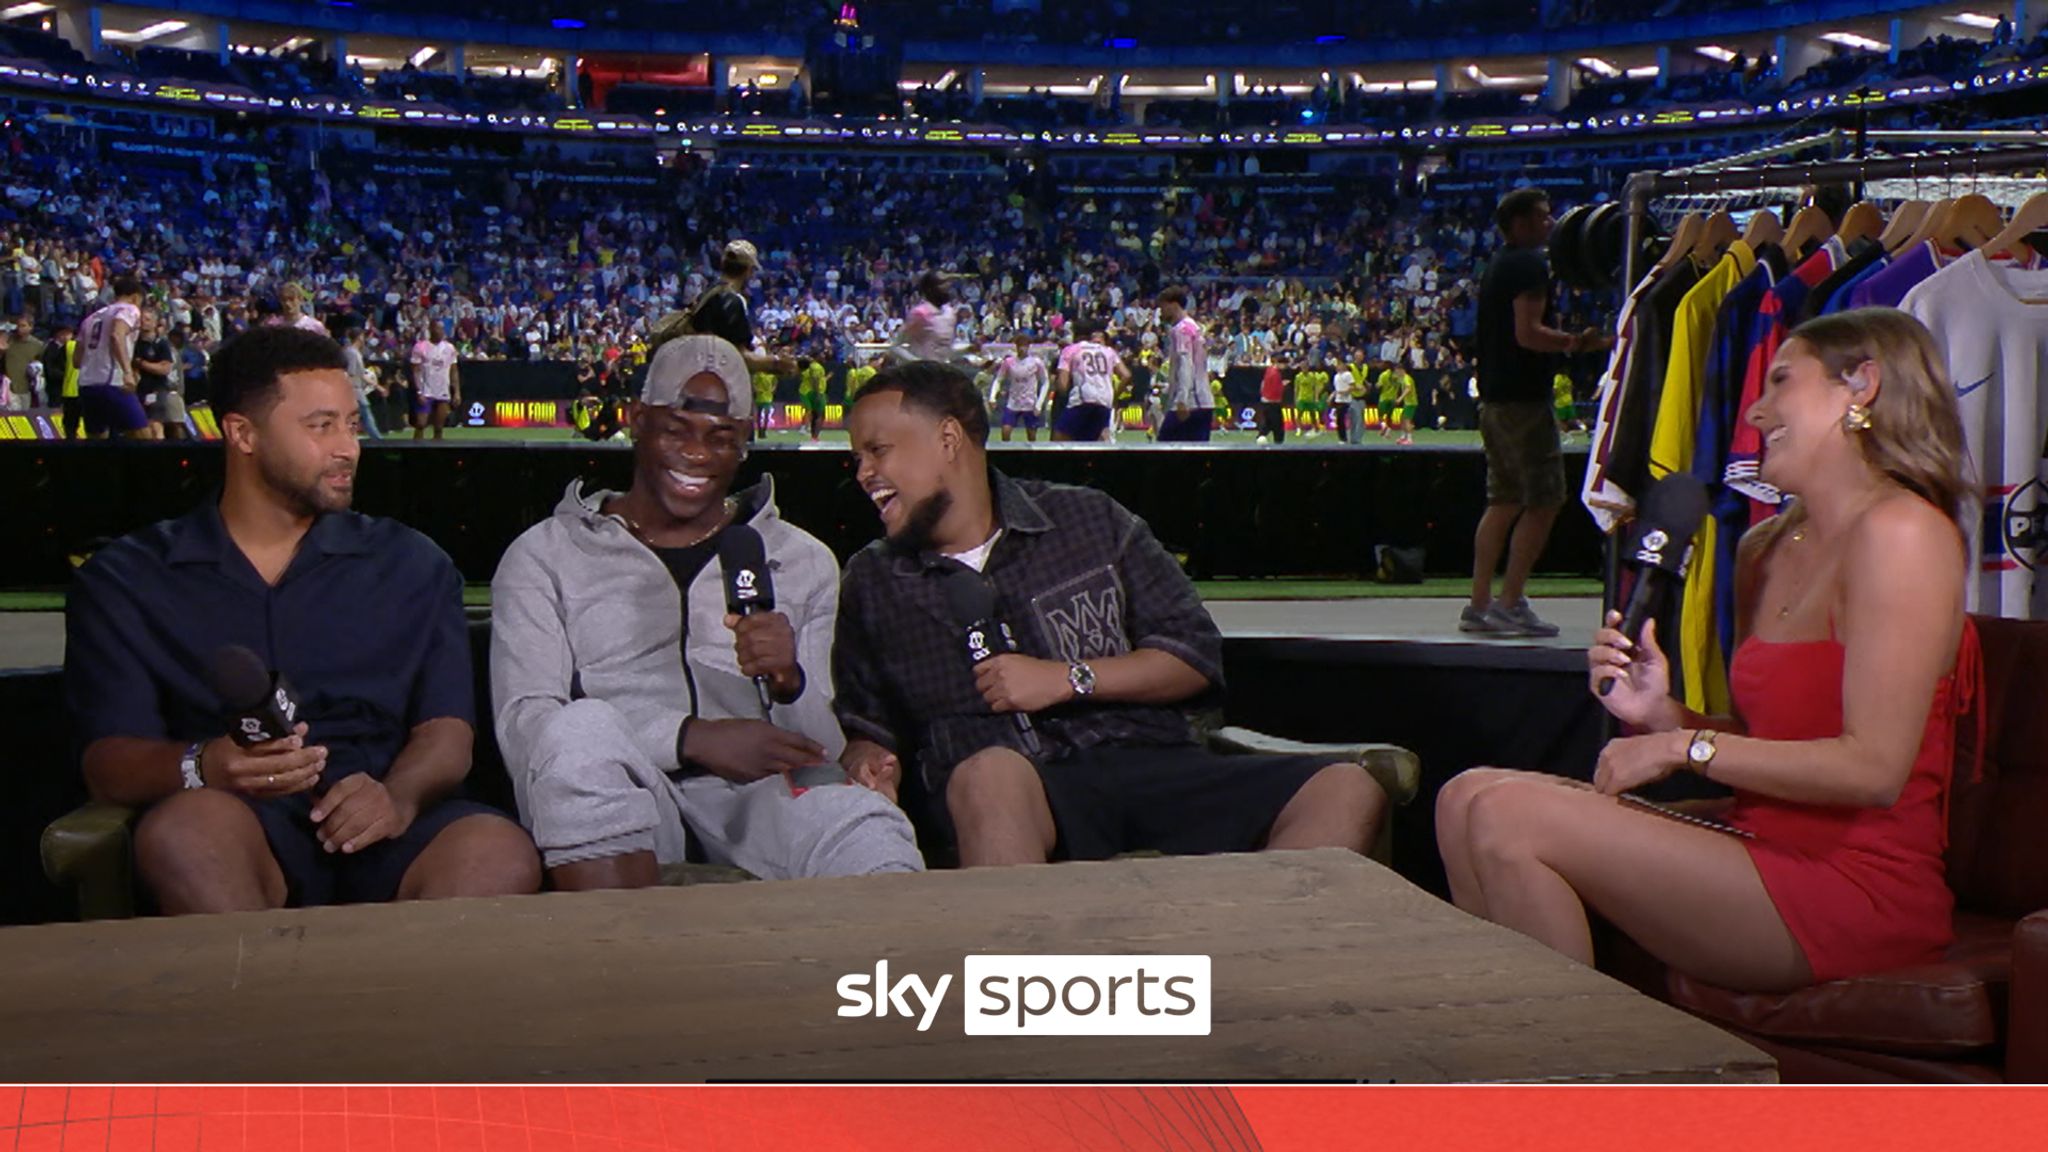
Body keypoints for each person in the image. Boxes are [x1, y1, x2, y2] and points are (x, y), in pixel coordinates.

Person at [1436, 309, 1976, 992]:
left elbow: (1873, 769)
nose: (1756, 410)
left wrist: (1678, 747)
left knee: (1506, 816)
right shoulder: (1766, 548)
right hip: (1754, 841)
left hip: (1857, 886)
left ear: (1861, 385)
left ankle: (1573, 1056)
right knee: (1463, 797)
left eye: (1782, 381)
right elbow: (1769, 746)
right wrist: (1666, 716)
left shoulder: (1904, 533)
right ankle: (1517, 1044)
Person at [63, 325, 540, 913]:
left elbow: (447, 733)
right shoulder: (128, 579)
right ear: (242, 433)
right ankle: (254, 976)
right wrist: (205, 764)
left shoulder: (413, 565)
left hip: (387, 815)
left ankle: (404, 977)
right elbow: (107, 762)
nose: (349, 447)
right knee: (188, 834)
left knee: (495, 853)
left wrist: (398, 796)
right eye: (321, 426)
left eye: (351, 424)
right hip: (233, 818)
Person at [836, 360, 1388, 867]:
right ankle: (1026, 950)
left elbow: (1193, 656)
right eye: (858, 458)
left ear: (948, 438)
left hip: (1150, 761)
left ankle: (1240, 940)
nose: (863, 473)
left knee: (1346, 788)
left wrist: (1067, 678)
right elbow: (868, 726)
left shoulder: (1088, 520)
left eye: (877, 451)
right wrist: (867, 759)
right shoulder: (873, 580)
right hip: (1012, 783)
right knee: (989, 775)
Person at [491, 335, 922, 888]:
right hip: (622, 791)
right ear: (637, 420)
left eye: (720, 437)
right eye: (676, 430)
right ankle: (613, 942)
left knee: (869, 825)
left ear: (745, 443)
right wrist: (689, 737)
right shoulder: (544, 553)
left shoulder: (802, 558)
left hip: (763, 798)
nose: (697, 454)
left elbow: (824, 749)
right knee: (576, 733)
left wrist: (790, 683)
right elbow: (526, 726)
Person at [1463, 190, 1610, 638]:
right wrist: (1577, 343)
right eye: (1543, 217)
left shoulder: (1499, 264)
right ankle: (1509, 604)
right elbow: (1528, 333)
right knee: (1544, 501)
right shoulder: (1530, 266)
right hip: (1525, 402)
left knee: (1504, 500)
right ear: (1522, 223)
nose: (1551, 224)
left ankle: (1480, 604)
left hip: (1495, 400)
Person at [675, 239, 795, 380]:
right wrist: (777, 362)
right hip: (713, 382)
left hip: (694, 375)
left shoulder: (708, 293)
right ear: (749, 271)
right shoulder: (732, 301)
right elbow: (738, 357)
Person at [75, 274, 151, 440]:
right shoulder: (129, 309)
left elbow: (76, 360)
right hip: (113, 382)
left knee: (97, 440)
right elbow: (117, 334)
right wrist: (127, 371)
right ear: (135, 297)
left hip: (87, 385)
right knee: (143, 437)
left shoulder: (91, 318)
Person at [1053, 321, 1127, 443]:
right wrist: (1115, 395)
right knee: (1090, 441)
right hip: (1104, 401)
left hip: (1082, 400)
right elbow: (1126, 375)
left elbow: (1062, 385)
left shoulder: (1071, 350)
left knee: (1059, 438)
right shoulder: (1107, 350)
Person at [1155, 287, 1212, 442]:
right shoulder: (1195, 326)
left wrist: (1182, 399)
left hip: (1191, 402)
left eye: (1162, 307)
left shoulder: (1181, 330)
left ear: (1173, 305)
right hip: (1203, 400)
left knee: (1164, 446)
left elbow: (1185, 364)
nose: (1161, 313)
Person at [990, 334, 1051, 443]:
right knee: (1005, 431)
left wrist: (1039, 403)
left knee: (1031, 436)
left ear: (1029, 346)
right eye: (1020, 345)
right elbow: (999, 379)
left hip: (1030, 403)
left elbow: (1045, 381)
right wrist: (992, 397)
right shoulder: (1009, 362)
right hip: (1013, 402)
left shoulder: (1036, 362)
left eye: (1025, 345)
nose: (1022, 348)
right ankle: (1007, 451)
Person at [410, 319, 459, 441]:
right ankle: (415, 448)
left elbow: (454, 371)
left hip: (442, 390)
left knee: (439, 427)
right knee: (421, 424)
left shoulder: (449, 348)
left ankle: (437, 449)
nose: (441, 331)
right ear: (431, 329)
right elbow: (415, 371)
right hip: (426, 390)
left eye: (442, 329)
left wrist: (457, 392)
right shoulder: (421, 347)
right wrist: (419, 391)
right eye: (438, 328)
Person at [343, 327, 384, 440]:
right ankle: (378, 441)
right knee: (367, 417)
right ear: (359, 337)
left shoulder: (356, 353)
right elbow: (350, 374)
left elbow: (361, 374)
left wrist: (377, 386)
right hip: (354, 391)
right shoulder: (351, 353)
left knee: (364, 417)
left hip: (358, 390)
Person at [41, 321, 78, 438]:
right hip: (56, 388)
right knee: (57, 412)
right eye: (67, 333)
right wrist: (65, 375)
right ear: (60, 334)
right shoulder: (52, 349)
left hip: (68, 387)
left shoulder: (68, 347)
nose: (69, 336)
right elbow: (51, 370)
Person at [1377, 359, 1418, 447]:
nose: (1396, 373)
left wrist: (1400, 398)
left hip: (1411, 403)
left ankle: (1409, 439)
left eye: (1397, 371)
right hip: (1407, 402)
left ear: (1401, 370)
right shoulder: (1401, 378)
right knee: (1402, 419)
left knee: (1407, 420)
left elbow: (1408, 388)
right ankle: (1403, 437)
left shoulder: (1406, 378)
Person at [1256, 355, 1287, 445]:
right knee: (1278, 425)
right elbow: (1276, 390)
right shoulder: (1276, 374)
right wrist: (1283, 385)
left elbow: (1263, 384)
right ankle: (1278, 443)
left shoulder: (1269, 370)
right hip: (1273, 402)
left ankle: (1260, 437)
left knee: (1268, 423)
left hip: (1265, 401)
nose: (1285, 367)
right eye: (1284, 364)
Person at [1331, 357, 1359, 445]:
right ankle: (1342, 438)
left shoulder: (1347, 374)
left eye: (1339, 364)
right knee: (1339, 420)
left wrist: (1345, 392)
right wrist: (1332, 396)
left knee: (1342, 419)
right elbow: (1337, 389)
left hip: (1346, 401)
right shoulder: (1336, 376)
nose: (1338, 366)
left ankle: (1344, 439)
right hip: (1338, 400)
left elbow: (1353, 386)